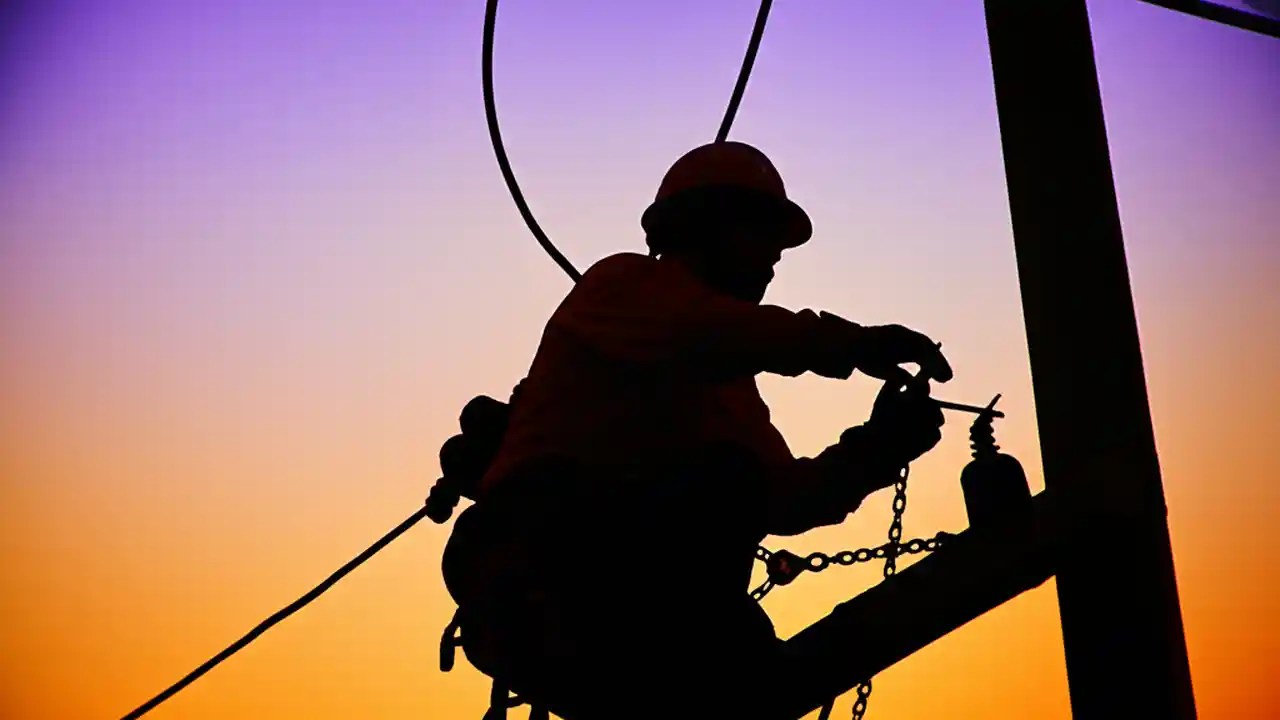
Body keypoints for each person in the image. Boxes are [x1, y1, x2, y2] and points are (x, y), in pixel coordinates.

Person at [440, 141, 951, 719]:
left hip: (615, 615)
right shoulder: (621, 286)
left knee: (729, 485)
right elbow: (719, 332)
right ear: (704, 227)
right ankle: (714, 663)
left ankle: (713, 672)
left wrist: (878, 446)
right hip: (545, 583)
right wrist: (856, 344)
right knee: (723, 481)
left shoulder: (724, 384)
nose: (776, 257)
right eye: (762, 234)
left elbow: (782, 499)